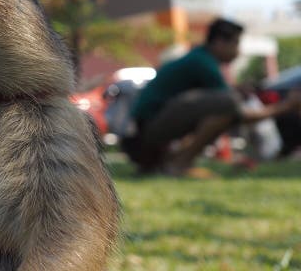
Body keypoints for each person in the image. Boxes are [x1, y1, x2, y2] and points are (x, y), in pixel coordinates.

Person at [127, 18, 301, 176]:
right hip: (145, 134)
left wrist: (238, 90)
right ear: (219, 42)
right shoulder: (203, 63)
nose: (238, 51)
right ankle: (176, 164)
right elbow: (240, 113)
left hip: (146, 131)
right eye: (236, 44)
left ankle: (174, 161)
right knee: (228, 103)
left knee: (225, 109)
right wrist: (287, 105)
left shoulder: (200, 58)